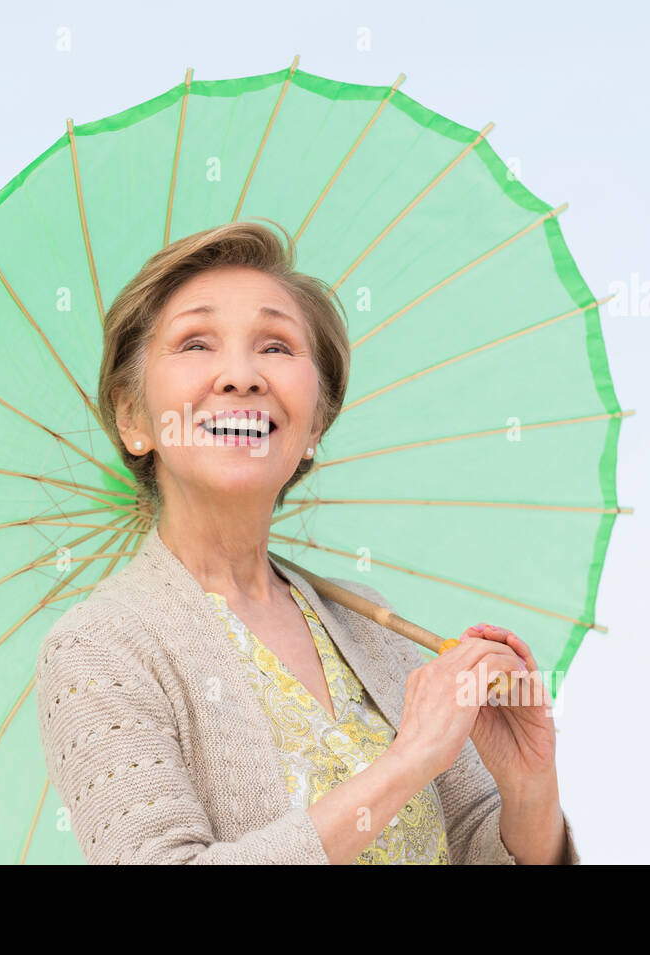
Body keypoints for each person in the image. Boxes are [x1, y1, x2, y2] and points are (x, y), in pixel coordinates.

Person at [34, 220, 580, 864]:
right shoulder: (97, 649)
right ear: (132, 419)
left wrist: (529, 788)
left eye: (276, 346)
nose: (241, 375)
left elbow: (476, 850)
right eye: (196, 343)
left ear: (316, 420)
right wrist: (408, 760)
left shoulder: (369, 622)